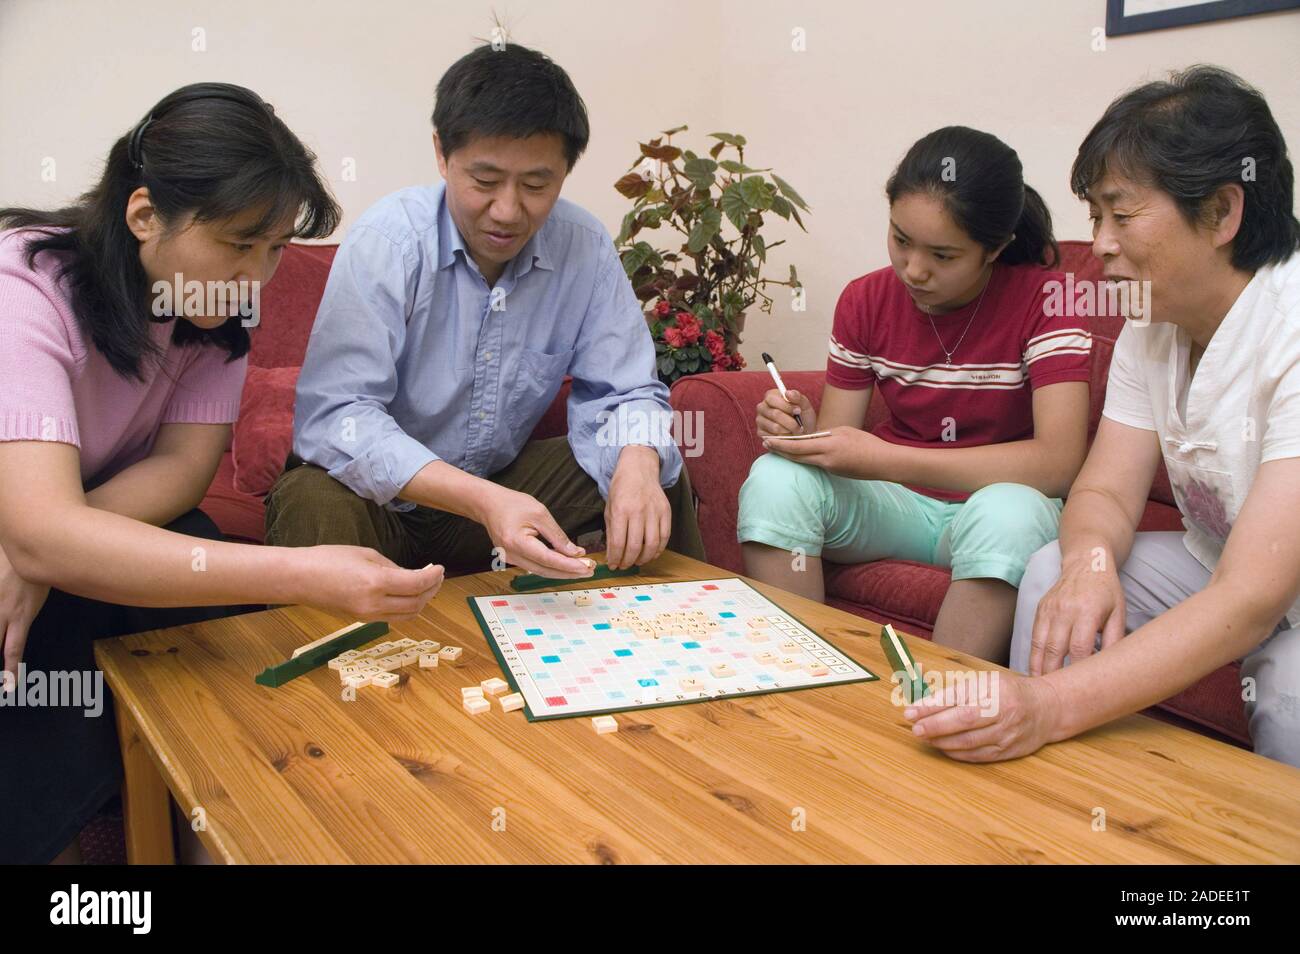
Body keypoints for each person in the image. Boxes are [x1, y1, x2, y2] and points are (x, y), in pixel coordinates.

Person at [0, 83, 443, 864]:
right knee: (44, 619)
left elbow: (178, 473)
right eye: (240, 245)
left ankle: (217, 823)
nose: (260, 276)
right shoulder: (25, 293)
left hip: (49, 527)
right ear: (144, 215)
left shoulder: (214, 321)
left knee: (182, 542)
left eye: (275, 249)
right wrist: (37, 541)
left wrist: (49, 542)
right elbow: (39, 523)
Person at [913, 66, 1300, 767]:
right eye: (1095, 218)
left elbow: (1255, 594)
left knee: (1291, 693)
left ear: (1222, 212)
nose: (1100, 246)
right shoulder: (1151, 322)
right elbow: (1103, 492)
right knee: (1050, 573)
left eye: (1121, 216)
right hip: (1221, 565)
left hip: (1269, 584)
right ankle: (1057, 816)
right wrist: (1090, 562)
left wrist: (1050, 707)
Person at [264, 43, 706, 576]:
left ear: (565, 173)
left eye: (537, 185)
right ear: (441, 155)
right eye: (485, 181)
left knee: (651, 468)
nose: (507, 211)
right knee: (311, 496)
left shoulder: (582, 245)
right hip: (378, 504)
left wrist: (637, 461)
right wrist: (482, 501)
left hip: (498, 495)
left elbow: (626, 390)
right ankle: (332, 657)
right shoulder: (391, 242)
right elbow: (339, 417)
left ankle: (690, 636)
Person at [739, 127, 1091, 662]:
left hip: (993, 506)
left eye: (943, 256)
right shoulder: (866, 299)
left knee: (1009, 514)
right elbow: (845, 440)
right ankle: (803, 677)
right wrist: (808, 432)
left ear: (994, 248)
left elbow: (1058, 463)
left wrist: (887, 457)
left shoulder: (1050, 301)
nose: (914, 270)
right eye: (901, 240)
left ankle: (938, 699)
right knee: (777, 479)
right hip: (894, 505)